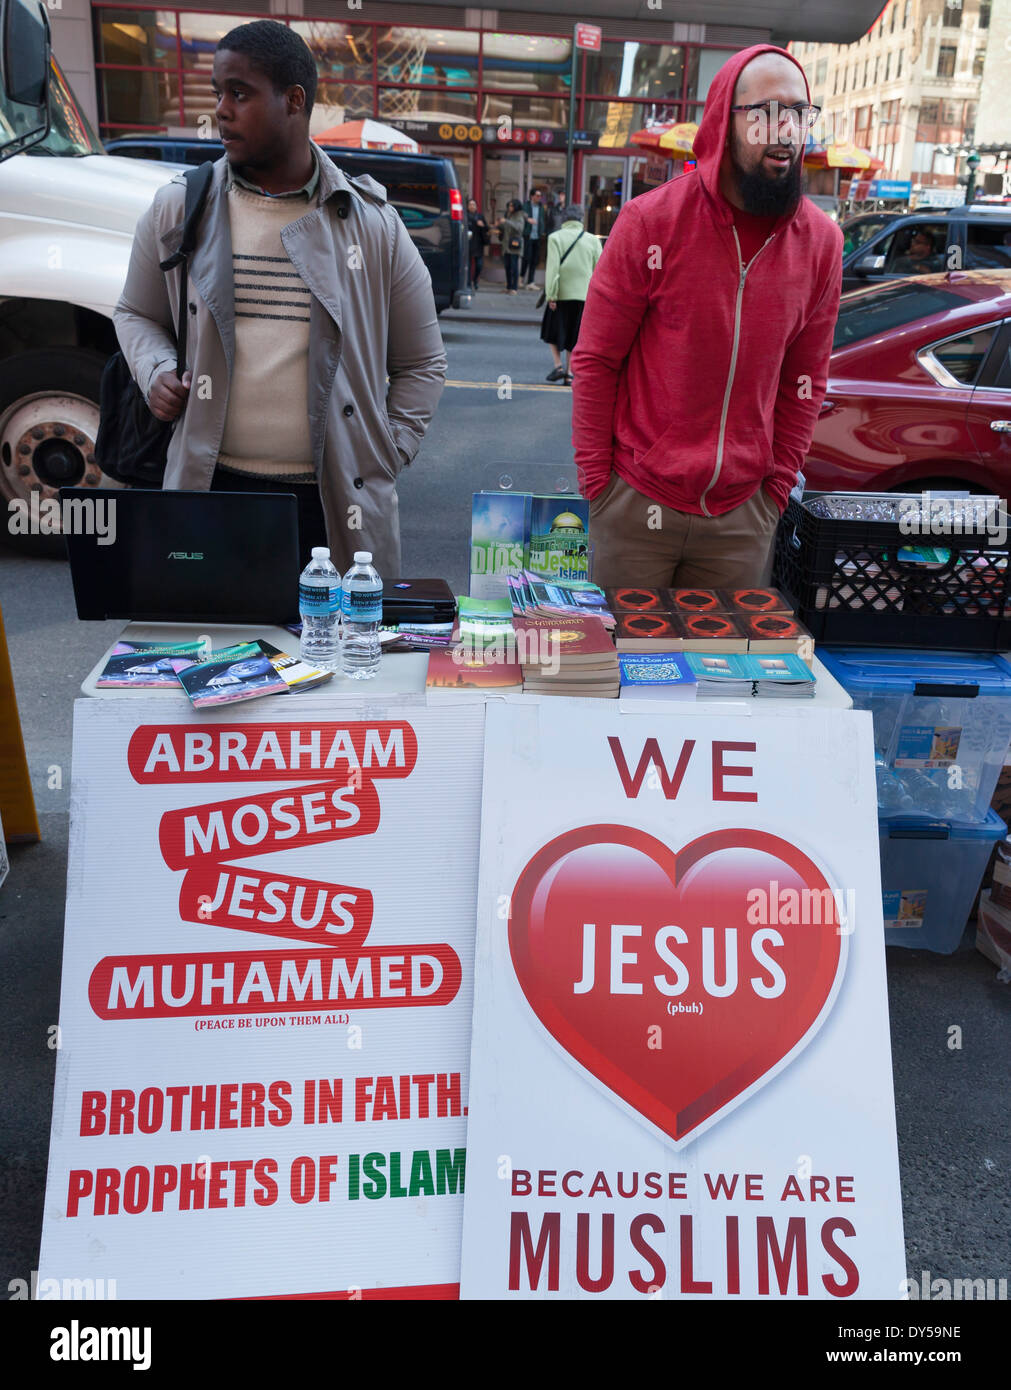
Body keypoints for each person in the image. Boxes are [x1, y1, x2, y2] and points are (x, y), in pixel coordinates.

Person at [113, 19, 446, 577]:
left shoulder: (371, 226)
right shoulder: (179, 209)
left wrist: (387, 450)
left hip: (331, 504)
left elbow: (422, 362)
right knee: (210, 655)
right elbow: (135, 313)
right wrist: (155, 370)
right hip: (210, 491)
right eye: (218, 93)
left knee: (335, 657)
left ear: (294, 101)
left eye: (239, 93)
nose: (221, 109)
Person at [571, 44, 843, 589]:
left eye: (798, 112)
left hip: (743, 517)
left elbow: (804, 382)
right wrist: (598, 483)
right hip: (635, 504)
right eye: (764, 113)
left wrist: (775, 490)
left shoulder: (820, 242)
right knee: (625, 670)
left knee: (727, 674)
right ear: (725, 121)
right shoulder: (651, 222)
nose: (785, 129)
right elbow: (596, 359)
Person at [540, 204, 601, 385]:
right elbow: (599, 270)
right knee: (575, 334)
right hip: (584, 296)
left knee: (552, 330)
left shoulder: (555, 238)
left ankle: (558, 365)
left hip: (561, 294)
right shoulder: (592, 240)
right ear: (581, 219)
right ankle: (569, 373)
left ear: (564, 219)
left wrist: (551, 294)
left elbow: (553, 270)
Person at [498, 199, 525, 295]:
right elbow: (506, 227)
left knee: (514, 266)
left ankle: (514, 288)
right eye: (509, 206)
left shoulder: (519, 216)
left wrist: (507, 221)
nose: (510, 208)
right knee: (507, 266)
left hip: (514, 245)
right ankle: (508, 287)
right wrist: (500, 225)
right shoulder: (508, 214)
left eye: (512, 206)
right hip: (506, 244)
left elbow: (519, 228)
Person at [521, 187, 546, 287]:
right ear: (532, 196)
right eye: (537, 195)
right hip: (528, 235)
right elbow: (521, 215)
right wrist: (527, 219)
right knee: (526, 258)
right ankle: (521, 278)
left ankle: (531, 281)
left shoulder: (541, 207)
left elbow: (543, 219)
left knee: (534, 260)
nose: (539, 197)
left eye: (540, 196)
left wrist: (542, 230)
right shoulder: (526, 206)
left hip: (537, 236)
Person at [466, 198, 489, 289]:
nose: (472, 206)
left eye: (473, 205)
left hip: (478, 244)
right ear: (467, 206)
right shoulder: (465, 216)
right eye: (470, 204)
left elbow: (486, 228)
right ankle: (468, 283)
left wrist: (482, 225)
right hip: (468, 244)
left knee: (479, 265)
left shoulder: (480, 216)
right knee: (467, 265)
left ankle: (475, 280)